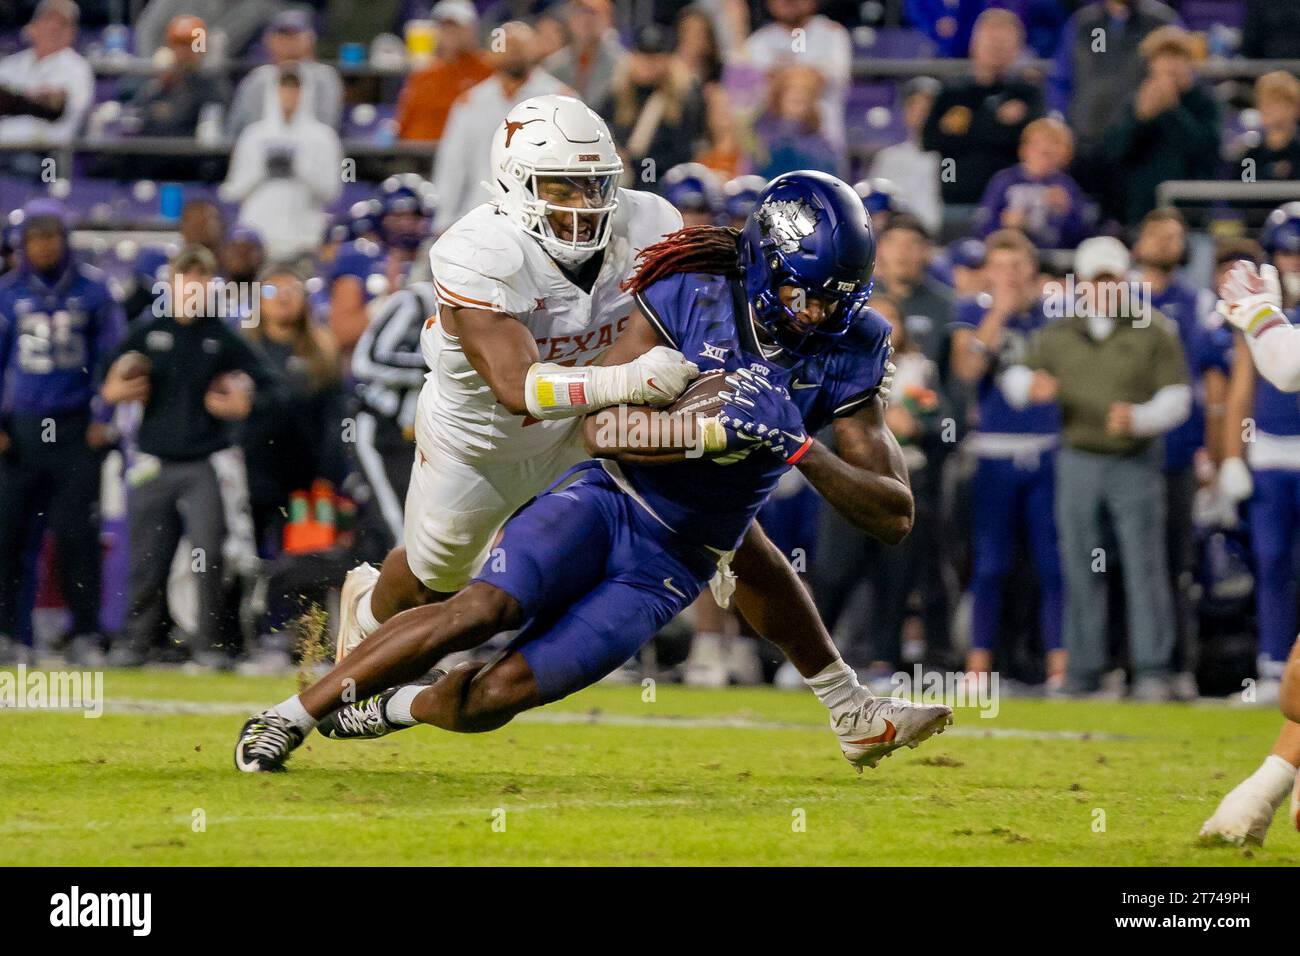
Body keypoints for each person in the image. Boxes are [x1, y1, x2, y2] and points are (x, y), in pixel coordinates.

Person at [233, 170, 953, 773]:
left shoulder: (850, 345)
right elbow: (600, 426)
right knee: (479, 609)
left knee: (496, 695)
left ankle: (387, 708)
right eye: (807, 293)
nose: (820, 313)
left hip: (678, 557)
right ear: (766, 262)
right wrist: (706, 432)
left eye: (838, 297)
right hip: (609, 496)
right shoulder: (694, 288)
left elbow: (893, 513)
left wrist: (799, 446)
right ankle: (288, 714)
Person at [1009, 235, 1190, 699]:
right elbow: (1015, 375)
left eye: (1111, 278)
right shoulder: (1058, 332)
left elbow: (1179, 398)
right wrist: (1030, 385)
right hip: (1078, 459)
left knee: (1144, 566)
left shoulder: (1154, 329)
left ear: (1124, 280)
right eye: (1095, 279)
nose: (1103, 287)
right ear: (1082, 283)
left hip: (1135, 462)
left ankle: (1152, 670)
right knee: (1078, 566)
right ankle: (1083, 670)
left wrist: (1142, 417)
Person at [99, 245, 283, 667]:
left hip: (205, 461)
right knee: (147, 555)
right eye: (188, 279)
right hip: (153, 460)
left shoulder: (221, 334)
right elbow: (106, 375)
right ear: (173, 284)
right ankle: (136, 641)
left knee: (209, 555)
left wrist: (245, 404)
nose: (194, 289)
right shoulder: (149, 331)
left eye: (202, 280)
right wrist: (113, 391)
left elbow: (273, 387)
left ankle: (210, 643)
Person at [0, 200, 125, 666]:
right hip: (20, 433)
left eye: (51, 236)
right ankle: (13, 634)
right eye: (36, 237)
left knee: (77, 535)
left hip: (76, 431)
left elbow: (112, 361)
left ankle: (85, 632)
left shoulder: (94, 292)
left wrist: (103, 418)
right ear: (23, 243)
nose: (44, 245)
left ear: (66, 240)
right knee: (11, 536)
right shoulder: (8, 293)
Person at [949, 228, 1063, 688]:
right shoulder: (973, 311)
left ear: (1033, 270)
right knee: (991, 563)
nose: (1012, 276)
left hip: (1048, 449)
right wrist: (998, 311)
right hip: (994, 451)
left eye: (1019, 267)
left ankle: (1060, 667)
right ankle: (978, 668)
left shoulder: (1053, 315)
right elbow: (968, 369)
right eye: (1002, 267)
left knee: (1053, 563)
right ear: (988, 271)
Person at [239, 264, 347, 554]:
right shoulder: (240, 350)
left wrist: (329, 474)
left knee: (302, 568)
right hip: (250, 477)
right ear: (258, 299)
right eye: (272, 290)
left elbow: (335, 419)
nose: (282, 298)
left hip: (304, 483)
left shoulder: (323, 352)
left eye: (292, 290)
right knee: (241, 565)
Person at [432, 22, 568, 232]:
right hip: (480, 215)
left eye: (520, 47)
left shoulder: (560, 100)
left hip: (543, 219)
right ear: (491, 53)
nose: (513, 53)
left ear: (535, 50)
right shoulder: (470, 103)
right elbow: (453, 166)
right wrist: (442, 219)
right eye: (507, 47)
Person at [220, 65, 342, 261]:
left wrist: (299, 168)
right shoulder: (253, 135)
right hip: (257, 239)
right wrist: (262, 170)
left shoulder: (325, 138)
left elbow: (332, 192)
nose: (289, 95)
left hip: (305, 240)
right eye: (284, 88)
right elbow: (231, 191)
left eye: (295, 88)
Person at [1099, 24, 1218, 226]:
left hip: (1190, 215)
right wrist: (1140, 119)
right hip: (1141, 215)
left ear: (1189, 63)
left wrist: (1172, 110)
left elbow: (1206, 153)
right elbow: (1113, 153)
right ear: (1151, 65)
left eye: (1177, 56)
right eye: (1162, 57)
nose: (1170, 65)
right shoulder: (1136, 103)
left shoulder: (1205, 102)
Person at [923, 8, 1043, 208]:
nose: (996, 49)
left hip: (1011, 205)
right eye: (991, 41)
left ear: (1017, 48)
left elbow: (1031, 141)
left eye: (1003, 43)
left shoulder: (1027, 92)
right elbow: (929, 140)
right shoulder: (952, 91)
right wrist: (998, 123)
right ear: (974, 43)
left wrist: (965, 128)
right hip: (957, 198)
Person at [1049, 0, 1179, 150]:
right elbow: (1060, 80)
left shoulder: (1161, 21)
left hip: (1145, 141)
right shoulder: (1082, 23)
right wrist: (1058, 119)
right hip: (1088, 138)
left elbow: (1185, 74)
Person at [596, 24, 707, 188]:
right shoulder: (618, 93)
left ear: (667, 59)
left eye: (655, 56)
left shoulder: (684, 97)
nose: (648, 63)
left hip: (663, 180)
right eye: (643, 55)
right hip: (620, 175)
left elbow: (683, 153)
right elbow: (601, 128)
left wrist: (636, 162)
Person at [743, 0, 851, 151]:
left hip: (824, 144)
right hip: (770, 146)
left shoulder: (832, 34)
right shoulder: (757, 42)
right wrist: (802, 74)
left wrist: (778, 78)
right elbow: (756, 96)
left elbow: (819, 81)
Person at [0, 0, 94, 164]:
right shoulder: (10, 64)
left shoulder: (78, 69)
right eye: (47, 20)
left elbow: (74, 113)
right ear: (32, 28)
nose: (53, 28)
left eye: (62, 24)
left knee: (27, 167)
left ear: (72, 33)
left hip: (46, 155)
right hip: (4, 145)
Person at [226, 8, 343, 139]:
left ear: (310, 38)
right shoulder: (257, 79)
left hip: (311, 149)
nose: (288, 41)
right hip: (262, 148)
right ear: (269, 40)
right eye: (282, 35)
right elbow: (237, 128)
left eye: (294, 35)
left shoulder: (325, 77)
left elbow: (328, 126)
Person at [975, 118, 1090, 250]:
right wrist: (1003, 225)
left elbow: (1083, 236)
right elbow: (982, 226)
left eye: (1052, 146)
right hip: (1010, 256)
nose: (1044, 149)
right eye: (1038, 144)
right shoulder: (1004, 180)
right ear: (1024, 149)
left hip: (1054, 259)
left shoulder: (1067, 186)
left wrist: (1066, 211)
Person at [395, 0, 492, 143]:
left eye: (456, 27)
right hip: (420, 154)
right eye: (444, 27)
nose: (450, 33)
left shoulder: (488, 69)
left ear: (472, 30)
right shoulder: (423, 74)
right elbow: (403, 124)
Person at [873, 214, 953, 366]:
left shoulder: (946, 304)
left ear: (927, 251)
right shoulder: (861, 300)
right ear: (880, 249)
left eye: (912, 244)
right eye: (894, 243)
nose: (902, 252)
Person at [868, 77, 943, 237]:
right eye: (914, 106)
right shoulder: (888, 157)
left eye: (929, 108)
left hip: (938, 238)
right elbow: (875, 203)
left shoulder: (950, 159)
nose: (922, 114)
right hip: (895, 238)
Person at [543, 0, 625, 109]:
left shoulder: (623, 63)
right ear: (570, 20)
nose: (586, 19)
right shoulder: (554, 64)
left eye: (593, 13)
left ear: (609, 19)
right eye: (579, 13)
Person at [1242, 71, 1300, 185]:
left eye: (1273, 102)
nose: (1264, 107)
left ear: (1294, 108)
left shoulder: (1297, 150)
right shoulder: (1251, 155)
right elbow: (1244, 195)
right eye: (1261, 101)